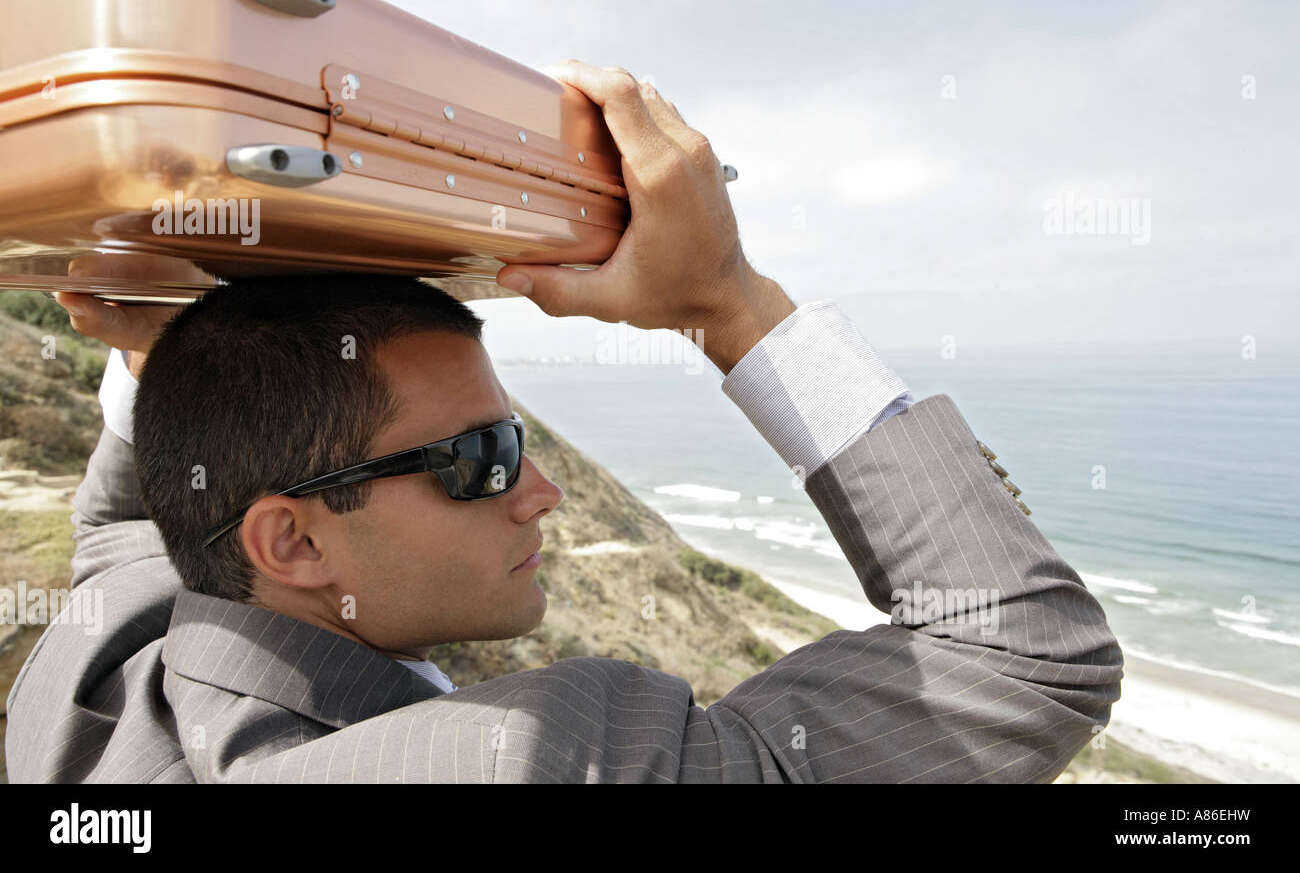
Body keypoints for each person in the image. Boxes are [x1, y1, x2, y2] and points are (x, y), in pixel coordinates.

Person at [5, 60, 1122, 782]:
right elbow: (1024, 654)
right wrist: (725, 298)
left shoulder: (108, 638)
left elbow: (128, 514)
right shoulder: (530, 759)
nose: (540, 490)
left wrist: (162, 346)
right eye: (482, 459)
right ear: (291, 540)